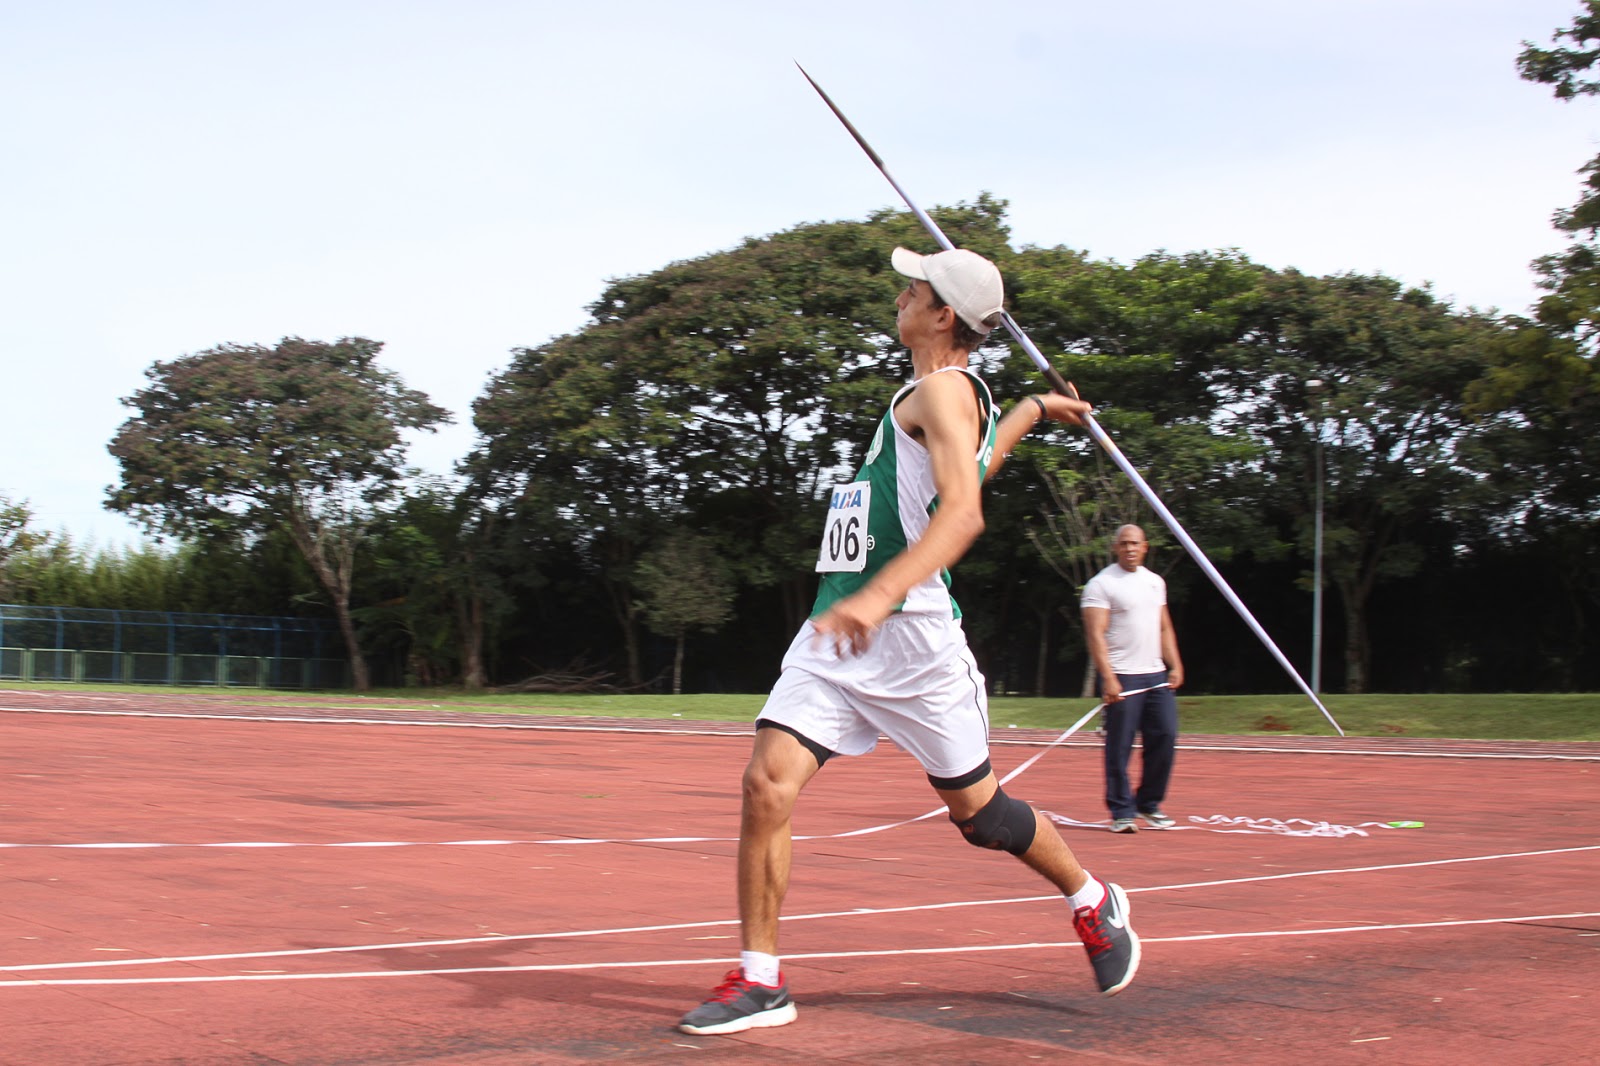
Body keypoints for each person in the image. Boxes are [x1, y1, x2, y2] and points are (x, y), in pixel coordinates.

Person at [678, 246, 1140, 1037]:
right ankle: (761, 981)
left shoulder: (946, 390)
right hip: (839, 630)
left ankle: (1093, 898)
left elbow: (964, 516)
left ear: (942, 315)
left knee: (982, 817)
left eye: (913, 286)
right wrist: (1029, 409)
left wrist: (883, 592)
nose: (900, 292)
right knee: (767, 784)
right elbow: (963, 480)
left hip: (913, 641)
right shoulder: (947, 396)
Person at [1081, 524, 1185, 834]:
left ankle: (1148, 803)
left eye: (1135, 543)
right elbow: (1095, 634)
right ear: (1115, 547)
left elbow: (1164, 627)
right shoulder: (1101, 585)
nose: (1130, 548)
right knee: (1120, 746)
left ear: (1145, 547)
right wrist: (1108, 678)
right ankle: (1122, 810)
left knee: (1165, 736)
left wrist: (1175, 665)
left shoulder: (1155, 583)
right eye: (1124, 543)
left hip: (1155, 675)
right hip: (1123, 677)